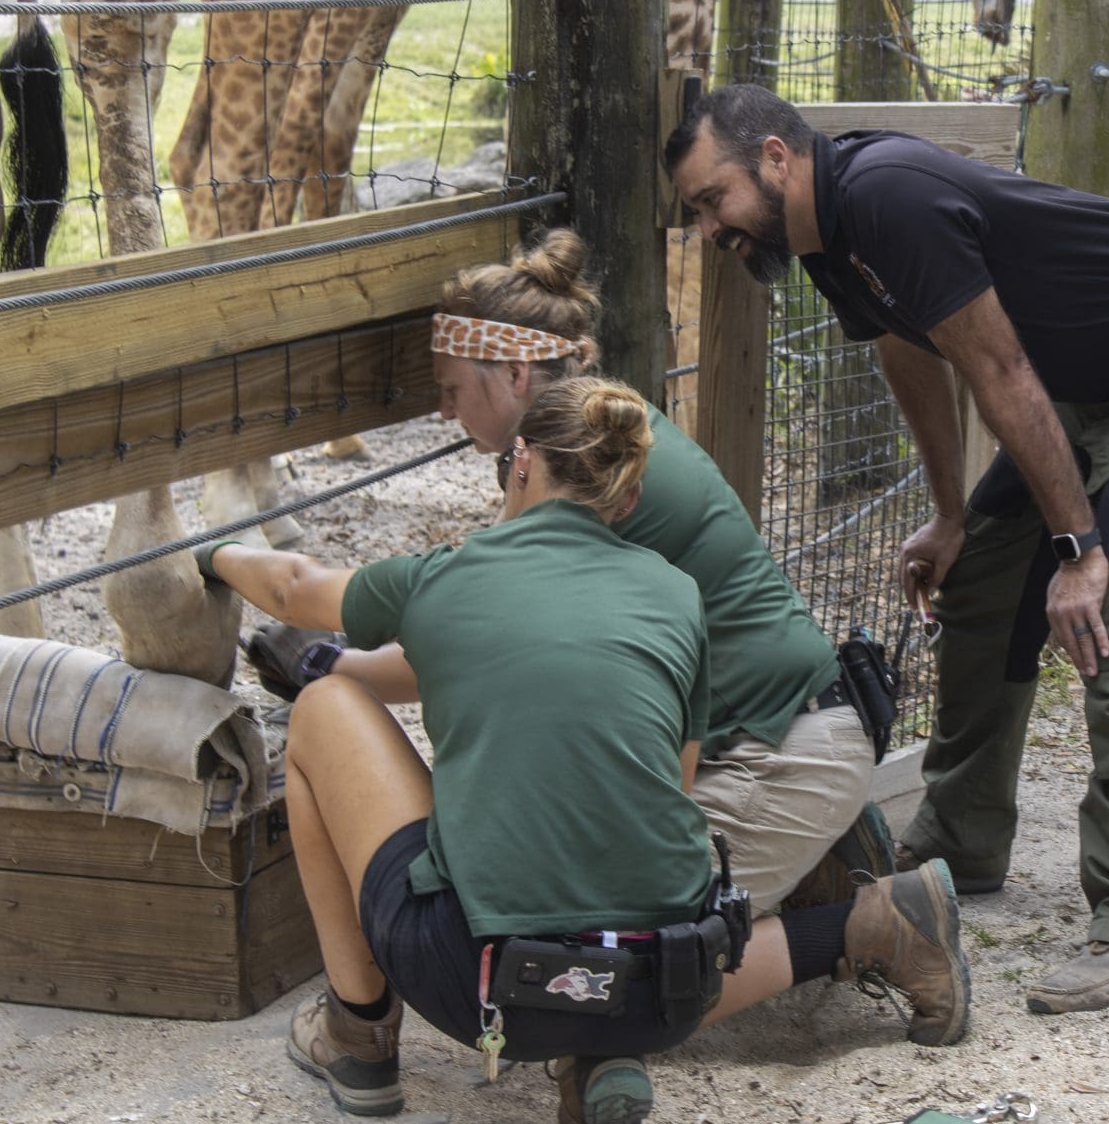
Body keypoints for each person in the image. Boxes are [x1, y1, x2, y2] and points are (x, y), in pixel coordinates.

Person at [197, 377, 969, 1124]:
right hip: (665, 993)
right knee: (618, 851)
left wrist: (209, 553)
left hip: (480, 987)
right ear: (628, 499)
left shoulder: (446, 577)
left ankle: (357, 1033)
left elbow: (293, 586)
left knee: (324, 706)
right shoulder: (677, 596)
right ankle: (598, 1057)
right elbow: (670, 789)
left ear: (520, 460)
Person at [665, 83, 1109, 1014]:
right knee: (982, 573)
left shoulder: (887, 196)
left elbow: (1000, 368)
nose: (713, 229)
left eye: (715, 200)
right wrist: (952, 516)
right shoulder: (824, 235)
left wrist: (1080, 549)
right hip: (1092, 380)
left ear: (776, 161)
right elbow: (908, 347)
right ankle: (963, 834)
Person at [247, 228, 891, 914]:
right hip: (759, 736)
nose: (444, 410)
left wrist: (326, 660)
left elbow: (473, 642)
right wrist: (334, 664)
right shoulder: (594, 447)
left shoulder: (593, 474)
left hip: (779, 750)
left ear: (515, 375)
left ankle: (878, 927)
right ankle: (811, 883)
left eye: (452, 387)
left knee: (613, 942)